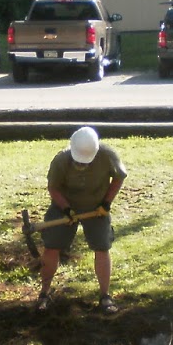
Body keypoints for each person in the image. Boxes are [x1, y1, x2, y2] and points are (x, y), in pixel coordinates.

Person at [36, 126, 125, 313]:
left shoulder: (108, 155)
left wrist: (106, 204)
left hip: (96, 207)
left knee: (102, 247)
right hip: (64, 205)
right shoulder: (60, 160)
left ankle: (105, 296)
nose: (82, 165)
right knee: (52, 246)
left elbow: (118, 178)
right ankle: (44, 294)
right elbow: (54, 188)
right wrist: (66, 209)